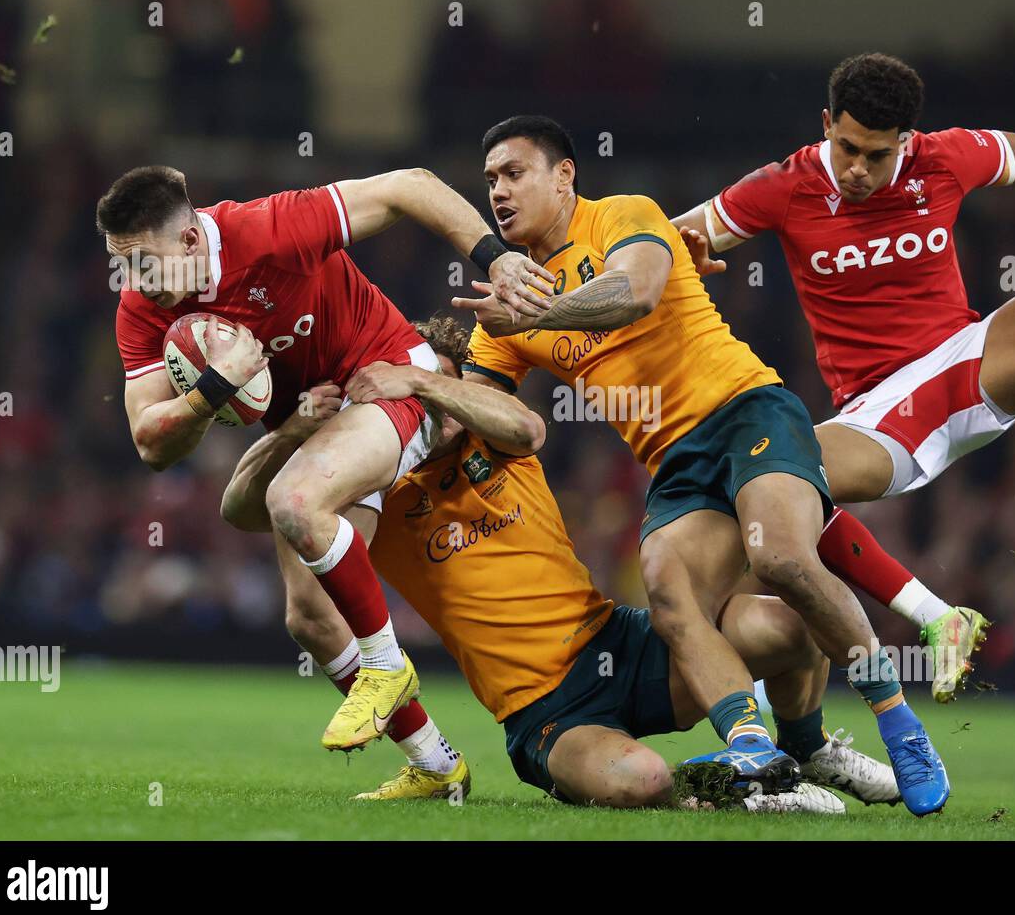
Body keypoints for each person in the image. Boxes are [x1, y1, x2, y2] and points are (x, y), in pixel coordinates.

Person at [672, 52, 1015, 697]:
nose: (856, 169)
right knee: (768, 487)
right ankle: (937, 622)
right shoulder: (782, 186)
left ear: (905, 141)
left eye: (875, 156)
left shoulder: (945, 157)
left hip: (965, 366)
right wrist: (678, 251)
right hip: (877, 421)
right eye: (846, 148)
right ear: (826, 124)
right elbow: (674, 236)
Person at [452, 115, 949, 814]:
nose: (498, 193)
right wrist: (423, 387)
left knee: (780, 557)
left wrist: (540, 315)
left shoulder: (623, 214)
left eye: (514, 173)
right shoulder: (500, 314)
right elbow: (490, 417)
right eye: (490, 182)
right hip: (675, 460)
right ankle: (755, 743)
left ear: (565, 176)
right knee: (666, 583)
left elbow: (636, 293)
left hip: (747, 407)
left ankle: (900, 722)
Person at [226, 314, 900, 810]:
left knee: (791, 626)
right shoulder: (377, 493)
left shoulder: (499, 438)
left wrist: (422, 381)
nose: (424, 403)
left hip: (622, 643)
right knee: (643, 781)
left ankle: (807, 749)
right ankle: (739, 795)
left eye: (436, 386)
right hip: (544, 713)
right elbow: (242, 509)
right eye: (408, 394)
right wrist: (293, 430)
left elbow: (528, 426)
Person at [102, 164, 554, 754]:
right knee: (310, 619)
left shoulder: (268, 229)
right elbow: (149, 441)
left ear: (189, 239)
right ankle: (434, 764)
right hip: (320, 426)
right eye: (122, 265)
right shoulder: (141, 306)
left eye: (142, 261)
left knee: (293, 499)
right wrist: (211, 389)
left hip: (386, 374)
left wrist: (493, 257)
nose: (132, 280)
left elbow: (409, 185)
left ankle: (386, 667)